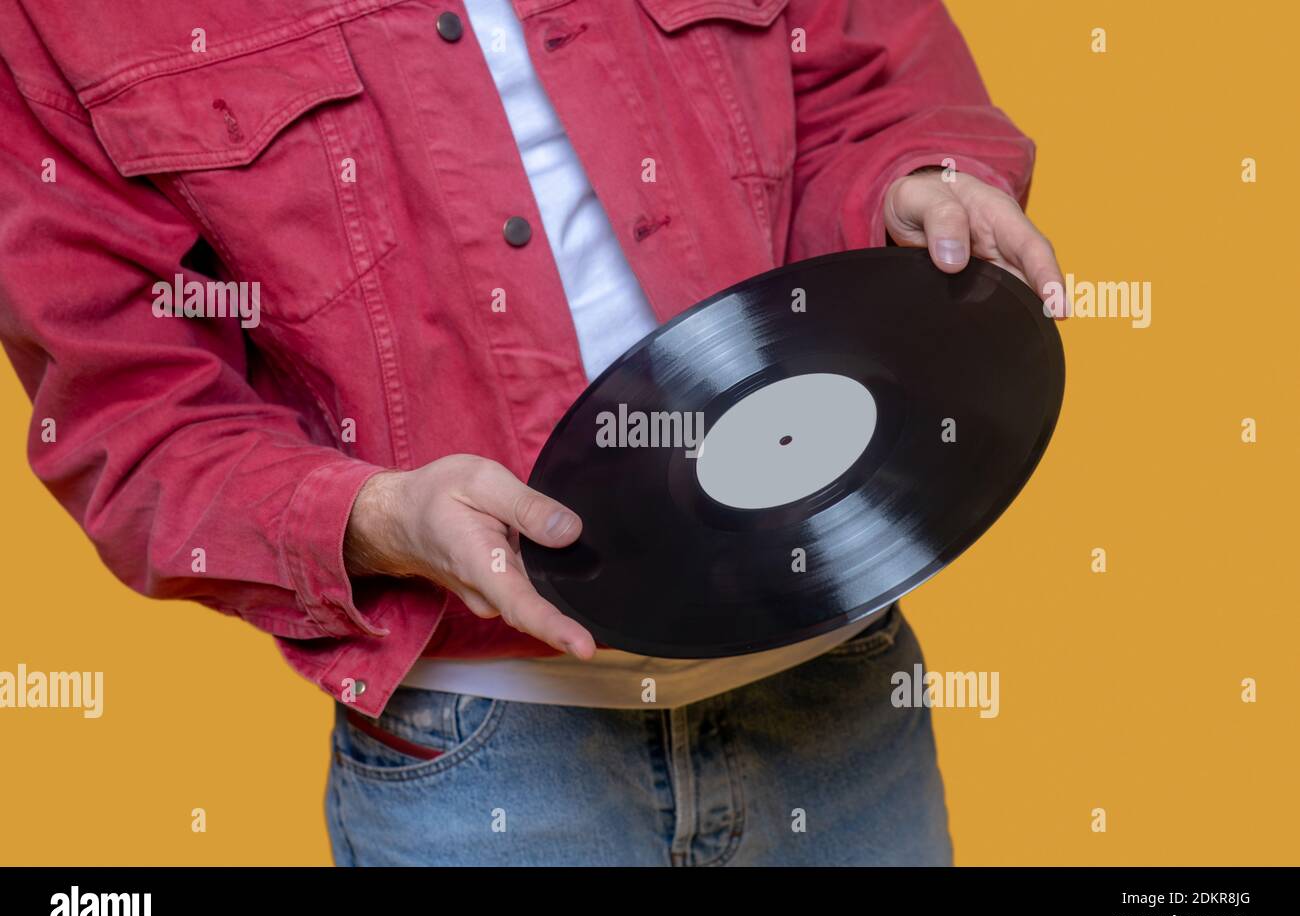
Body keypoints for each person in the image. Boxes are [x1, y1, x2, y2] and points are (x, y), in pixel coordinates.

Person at [0, 0, 1062, 865]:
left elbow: (867, 82)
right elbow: (131, 414)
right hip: (483, 763)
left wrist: (910, 182)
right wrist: (375, 515)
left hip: (843, 700)